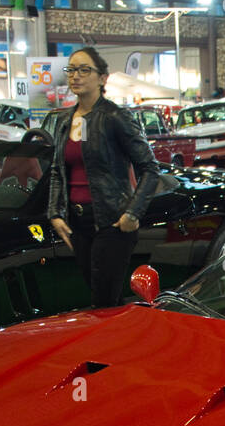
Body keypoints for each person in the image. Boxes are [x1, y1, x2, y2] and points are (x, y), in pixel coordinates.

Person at [47, 46, 175, 308]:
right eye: (71, 70)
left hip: (112, 221)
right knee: (107, 298)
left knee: (103, 301)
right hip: (77, 222)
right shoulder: (64, 121)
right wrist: (55, 213)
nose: (76, 76)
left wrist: (133, 214)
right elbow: (57, 170)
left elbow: (150, 169)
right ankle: (128, 340)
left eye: (84, 70)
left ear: (102, 78)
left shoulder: (115, 117)